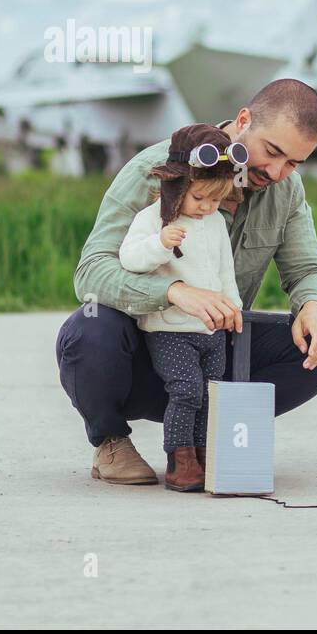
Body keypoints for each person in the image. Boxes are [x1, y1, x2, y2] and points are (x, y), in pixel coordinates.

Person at [55, 79, 317, 486]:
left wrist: (314, 306)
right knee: (89, 329)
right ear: (243, 121)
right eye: (273, 152)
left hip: (214, 352)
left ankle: (213, 435)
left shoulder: (286, 191)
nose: (278, 172)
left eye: (294, 163)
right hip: (145, 348)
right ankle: (111, 442)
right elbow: (91, 271)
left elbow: (309, 269)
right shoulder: (155, 169)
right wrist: (173, 293)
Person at [118, 123, 243, 492]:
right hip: (170, 329)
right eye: (199, 197)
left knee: (210, 394)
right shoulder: (155, 220)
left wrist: (232, 307)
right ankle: (179, 459)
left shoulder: (216, 222)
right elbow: (129, 259)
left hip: (211, 330)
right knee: (186, 389)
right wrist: (159, 244)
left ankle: (205, 455)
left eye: (216, 199)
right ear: (177, 185)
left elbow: (224, 270)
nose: (207, 207)